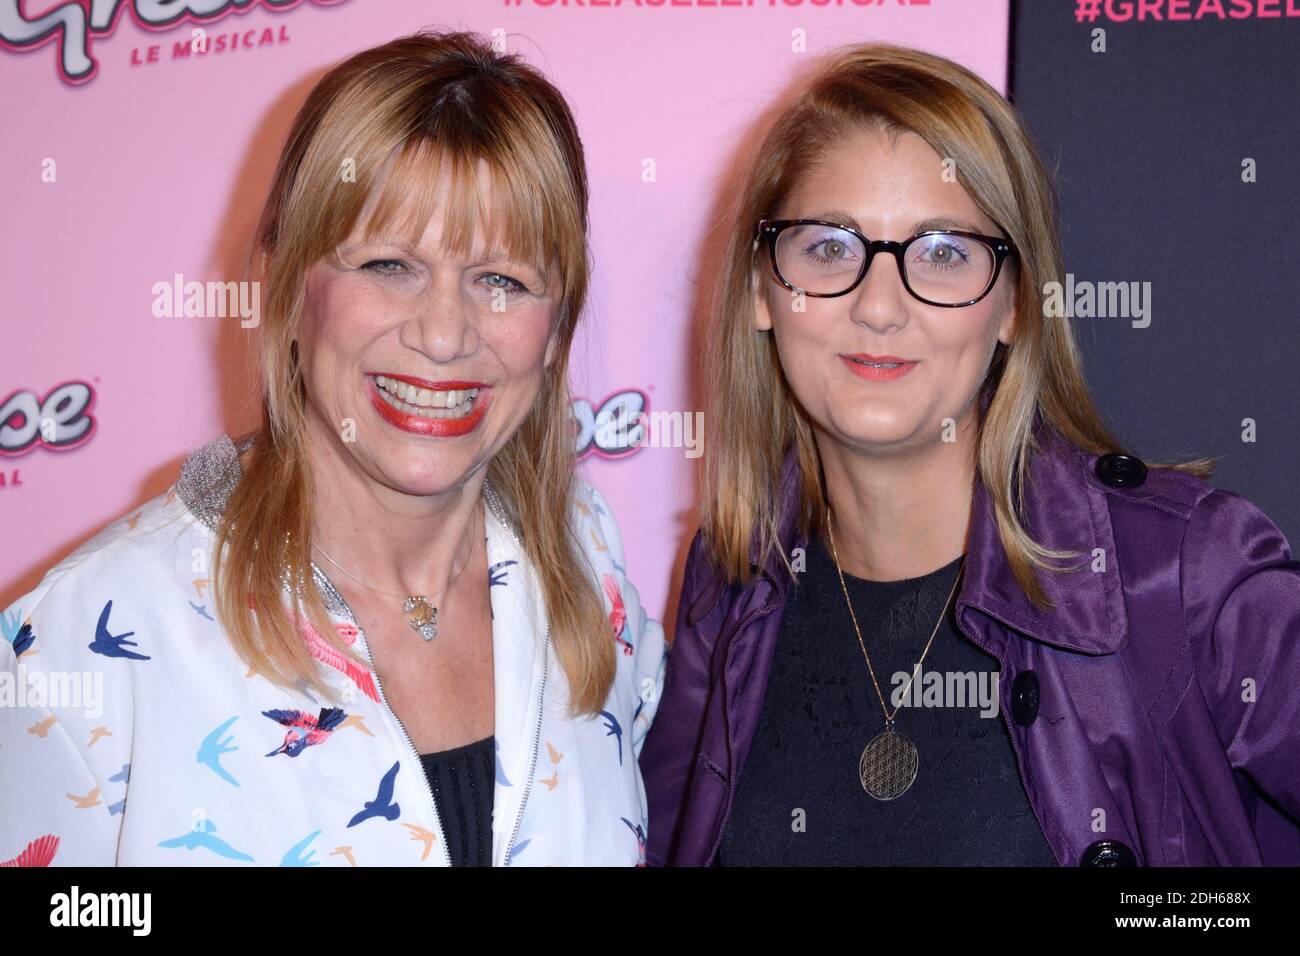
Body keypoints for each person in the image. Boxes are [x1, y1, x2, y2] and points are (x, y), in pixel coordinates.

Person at [0, 31, 665, 867]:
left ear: (557, 320)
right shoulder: (84, 640)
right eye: (388, 264)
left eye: (502, 280)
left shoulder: (586, 563)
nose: (445, 335)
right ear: (287, 284)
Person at [639, 42, 1300, 866]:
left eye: (944, 253)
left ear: (1017, 304)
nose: (879, 306)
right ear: (761, 290)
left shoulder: (1184, 574)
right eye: (831, 247)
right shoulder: (732, 578)